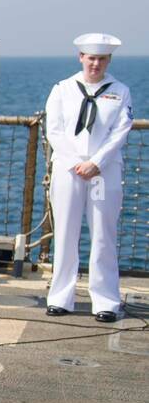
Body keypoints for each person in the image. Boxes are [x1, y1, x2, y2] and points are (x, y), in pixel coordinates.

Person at [44, 34, 133, 322]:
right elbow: (54, 130)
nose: (95, 63)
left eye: (101, 59)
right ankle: (60, 298)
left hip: (104, 171)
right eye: (90, 57)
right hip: (68, 171)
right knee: (66, 234)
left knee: (103, 236)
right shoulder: (62, 89)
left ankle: (105, 301)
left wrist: (96, 162)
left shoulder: (120, 92)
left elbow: (120, 132)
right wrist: (75, 162)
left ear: (109, 61)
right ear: (80, 57)